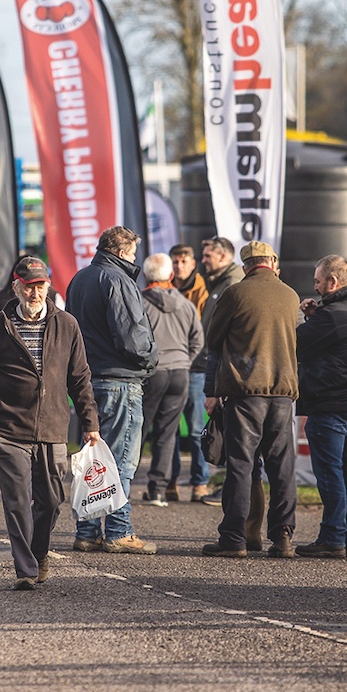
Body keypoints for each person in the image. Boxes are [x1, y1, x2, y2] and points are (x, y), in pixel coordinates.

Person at [0, 257, 101, 589]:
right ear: (16, 287)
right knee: (18, 501)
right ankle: (25, 569)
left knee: (52, 500)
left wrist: (89, 421)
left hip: (53, 426)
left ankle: (39, 553)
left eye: (40, 286)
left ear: (48, 287)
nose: (34, 292)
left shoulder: (67, 324)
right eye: (28, 286)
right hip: (8, 429)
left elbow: (80, 378)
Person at [201, 241, 302, 558]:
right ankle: (283, 537)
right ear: (272, 262)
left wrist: (211, 391)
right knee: (282, 466)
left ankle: (234, 539)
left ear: (245, 266)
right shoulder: (291, 295)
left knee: (242, 466)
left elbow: (213, 343)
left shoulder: (235, 294)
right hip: (283, 394)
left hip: (245, 392)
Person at [66, 226, 159, 554]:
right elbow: (131, 337)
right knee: (119, 459)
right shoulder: (118, 281)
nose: (135, 259)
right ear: (121, 252)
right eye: (132, 253)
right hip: (120, 382)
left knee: (92, 456)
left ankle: (88, 531)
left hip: (87, 381)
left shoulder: (80, 278)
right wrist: (152, 357)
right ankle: (119, 530)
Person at [295, 254, 347, 559]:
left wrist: (308, 317)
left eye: (318, 281)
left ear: (332, 281)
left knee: (331, 474)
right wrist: (318, 315)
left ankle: (332, 537)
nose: (314, 287)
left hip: (329, 401)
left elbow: (297, 343)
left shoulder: (332, 317)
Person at [138, 252, 202, 507]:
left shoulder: (139, 303)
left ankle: (121, 484)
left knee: (138, 431)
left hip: (152, 373)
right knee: (167, 433)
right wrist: (185, 361)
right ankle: (158, 490)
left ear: (144, 275)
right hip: (180, 373)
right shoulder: (186, 304)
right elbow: (198, 339)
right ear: (171, 275)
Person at [192, 236, 244, 506]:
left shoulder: (231, 286)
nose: (203, 261)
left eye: (208, 256)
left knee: (232, 436)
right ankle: (227, 489)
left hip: (228, 374)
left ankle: (230, 492)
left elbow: (223, 337)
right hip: (219, 370)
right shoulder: (218, 284)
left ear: (224, 257)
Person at [166, 243, 209, 501]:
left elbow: (200, 332)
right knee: (168, 428)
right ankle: (170, 480)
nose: (179, 267)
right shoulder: (164, 288)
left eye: (183, 262)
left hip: (194, 367)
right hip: (170, 365)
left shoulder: (202, 291)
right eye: (175, 262)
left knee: (195, 429)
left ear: (193, 264)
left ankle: (199, 481)